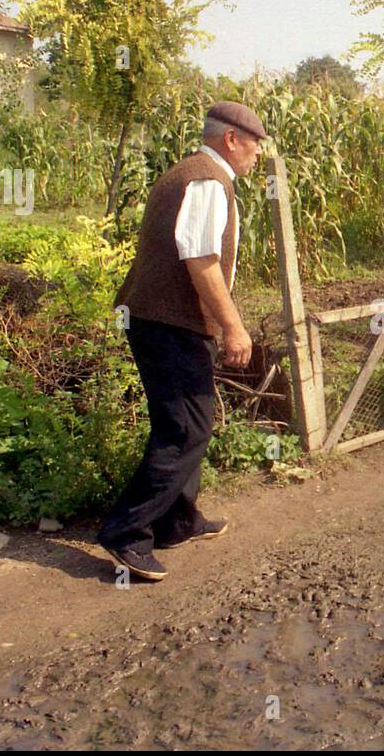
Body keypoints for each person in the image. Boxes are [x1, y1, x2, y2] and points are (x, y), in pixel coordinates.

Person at [97, 101, 266, 581]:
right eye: (255, 145)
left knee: (189, 421)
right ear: (231, 139)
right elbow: (201, 261)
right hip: (170, 323)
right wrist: (233, 326)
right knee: (185, 430)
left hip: (161, 319)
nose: (257, 155)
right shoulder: (208, 182)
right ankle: (125, 532)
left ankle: (177, 520)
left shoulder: (188, 172)